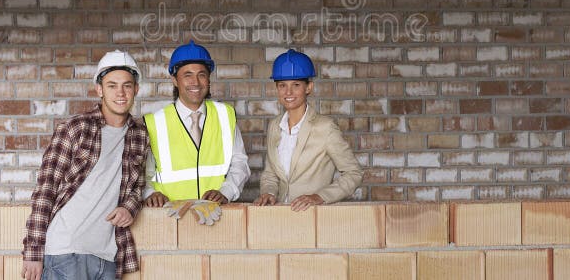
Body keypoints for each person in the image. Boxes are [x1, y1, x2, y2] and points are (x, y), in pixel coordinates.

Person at [22, 50, 149, 280]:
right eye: (112, 85)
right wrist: (33, 252)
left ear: (136, 89)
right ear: (99, 89)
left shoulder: (139, 135)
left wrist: (129, 207)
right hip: (66, 252)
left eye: (127, 86)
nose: (120, 93)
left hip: (108, 256)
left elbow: (138, 187)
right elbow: (45, 191)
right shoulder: (75, 129)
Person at [143, 40, 250, 207]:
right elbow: (144, 175)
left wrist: (225, 192)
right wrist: (150, 193)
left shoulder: (225, 115)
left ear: (208, 79)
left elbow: (240, 163)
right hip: (171, 219)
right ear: (175, 80)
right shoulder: (154, 122)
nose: (196, 82)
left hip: (217, 216)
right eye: (188, 75)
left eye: (201, 74)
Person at [254, 49, 363, 212]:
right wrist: (268, 192)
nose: (288, 92)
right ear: (276, 88)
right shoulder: (275, 126)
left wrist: (321, 196)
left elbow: (354, 173)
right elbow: (271, 174)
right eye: (282, 85)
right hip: (278, 217)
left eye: (296, 85)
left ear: (308, 87)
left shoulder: (325, 127)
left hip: (313, 218)